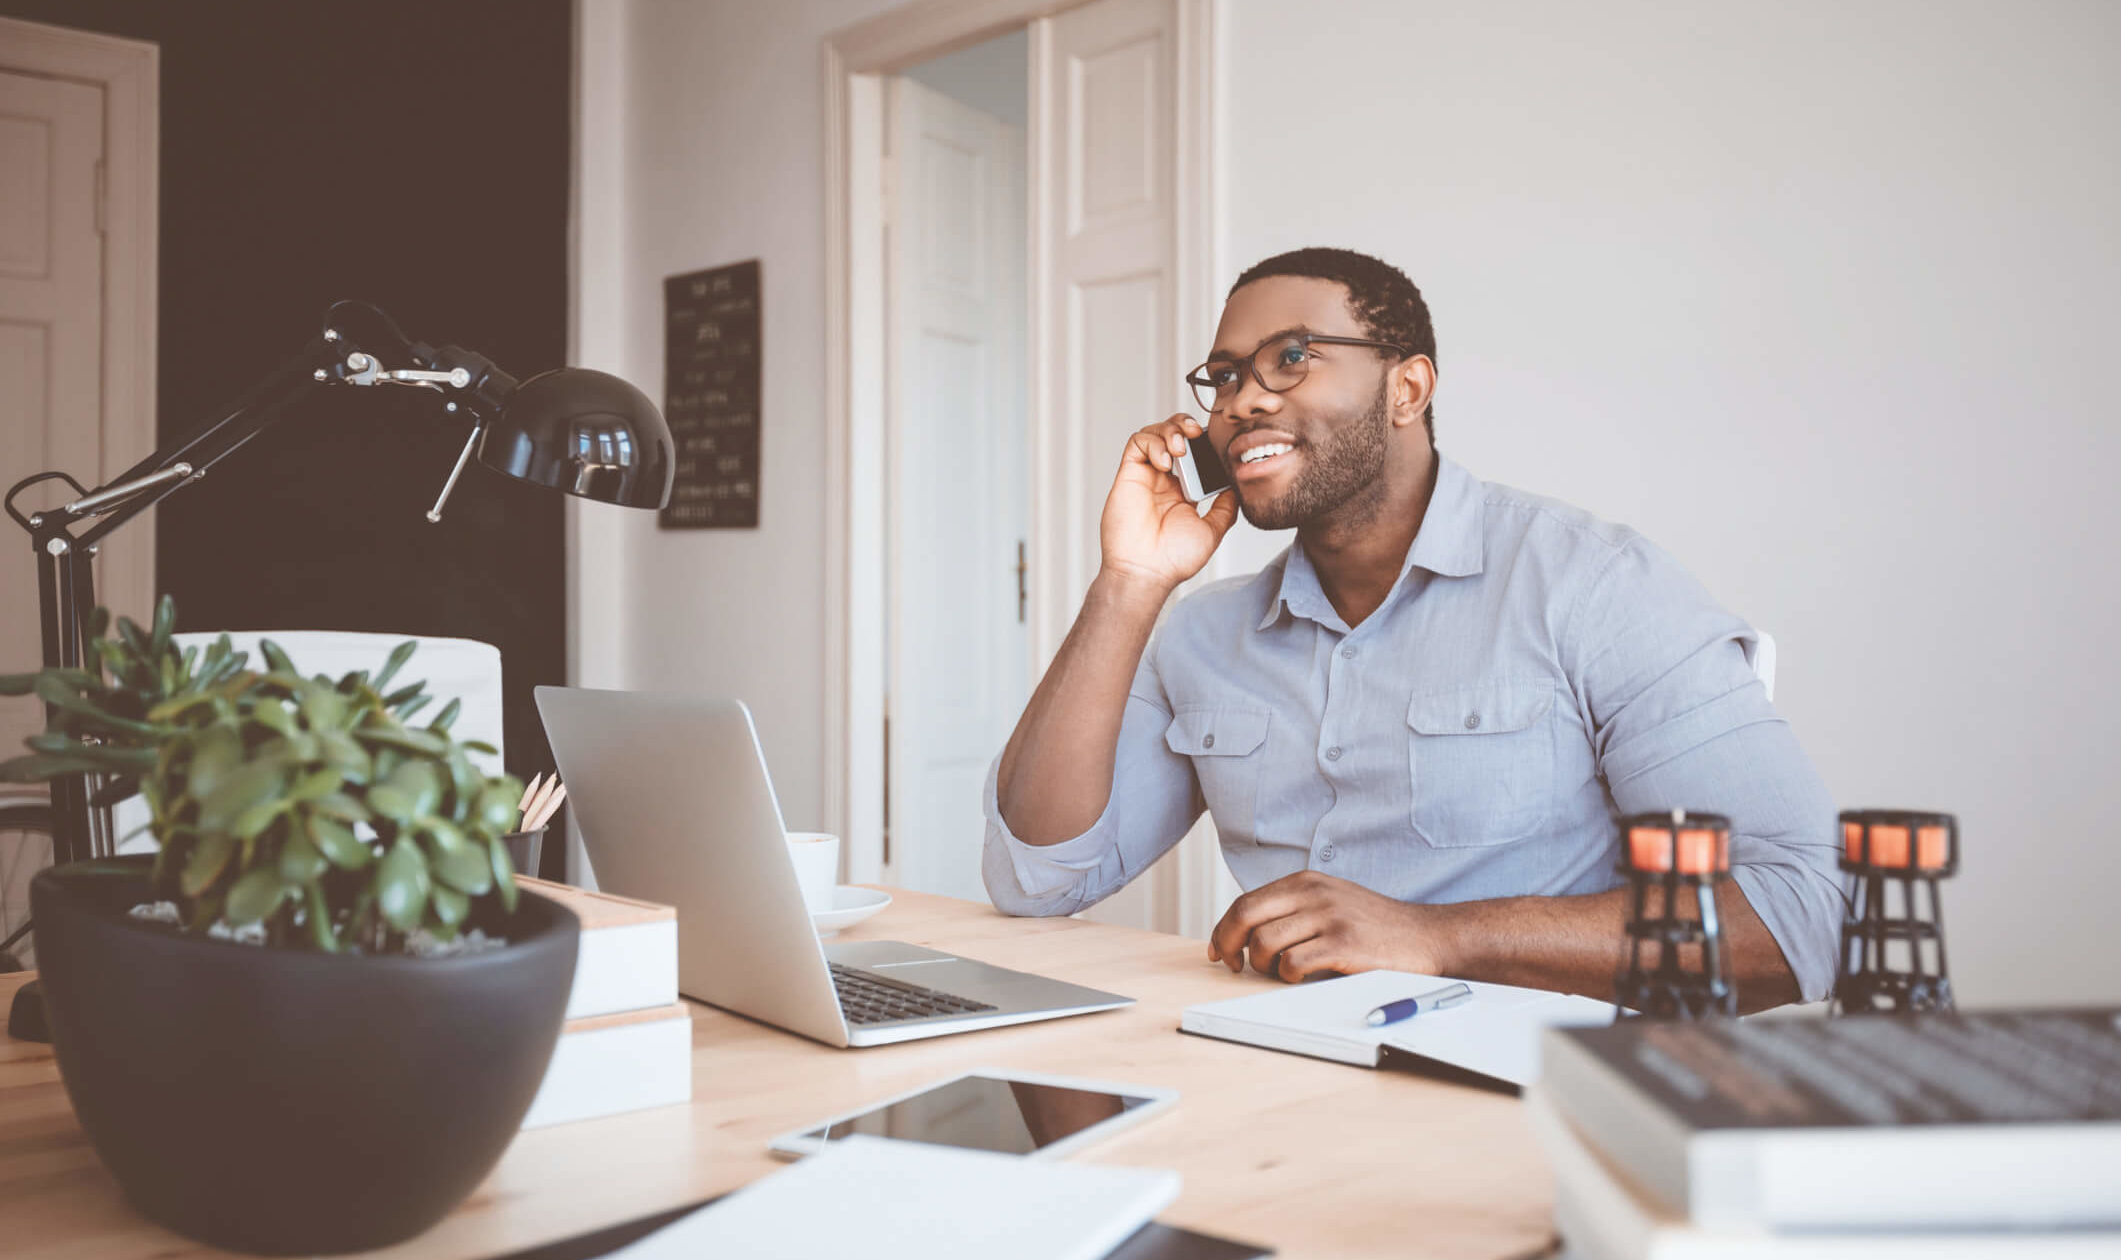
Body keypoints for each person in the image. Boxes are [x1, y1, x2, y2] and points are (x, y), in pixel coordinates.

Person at [981, 246, 1842, 1010]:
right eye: (1226, 377)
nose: (1242, 401)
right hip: (1279, 1071)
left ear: (1407, 388)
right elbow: (1036, 879)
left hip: (1536, 1092)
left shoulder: (1595, 585)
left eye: (1290, 358)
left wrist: (1435, 937)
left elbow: (1806, 910)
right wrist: (1128, 584)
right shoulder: (1201, 634)